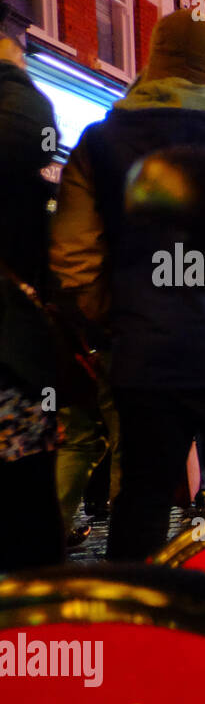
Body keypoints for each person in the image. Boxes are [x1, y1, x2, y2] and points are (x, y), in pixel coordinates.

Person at [49, 10, 205, 561]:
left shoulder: (101, 143)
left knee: (142, 502)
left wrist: (121, 318)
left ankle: (136, 637)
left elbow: (72, 256)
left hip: (146, 362)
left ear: (153, 61)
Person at [0, 35, 63, 570]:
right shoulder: (18, 104)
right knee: (29, 530)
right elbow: (30, 133)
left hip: (18, 361)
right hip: (10, 362)